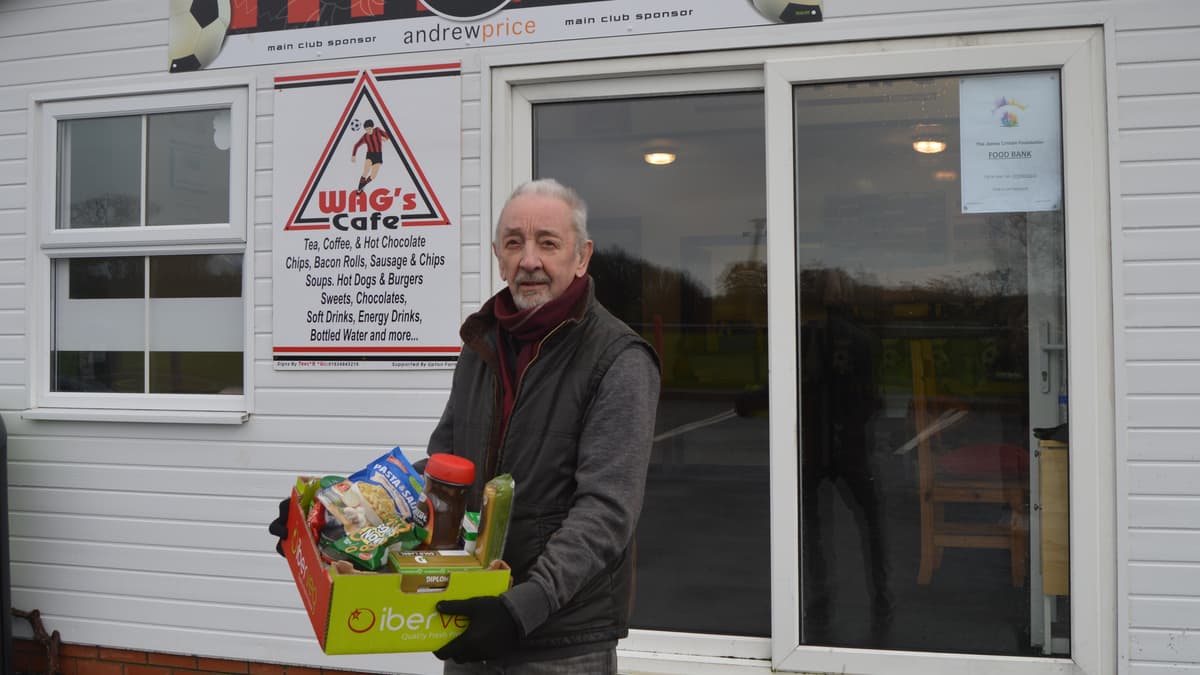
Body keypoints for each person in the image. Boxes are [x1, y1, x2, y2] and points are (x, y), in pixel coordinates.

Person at [270, 178, 661, 674]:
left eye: (547, 242)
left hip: (560, 643)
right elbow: (438, 477)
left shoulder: (618, 360)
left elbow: (607, 514)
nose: (529, 260)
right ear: (499, 256)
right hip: (470, 621)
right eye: (515, 242)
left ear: (581, 257)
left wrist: (519, 609)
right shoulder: (482, 346)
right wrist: (334, 514)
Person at [351, 119, 390, 193]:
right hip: (370, 155)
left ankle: (363, 185)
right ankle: (359, 188)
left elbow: (387, 135)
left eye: (369, 129)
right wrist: (353, 155)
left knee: (373, 176)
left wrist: (384, 138)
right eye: (366, 129)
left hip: (378, 155)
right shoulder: (365, 136)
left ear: (372, 127)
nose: (368, 131)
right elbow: (356, 145)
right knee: (366, 171)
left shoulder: (378, 130)